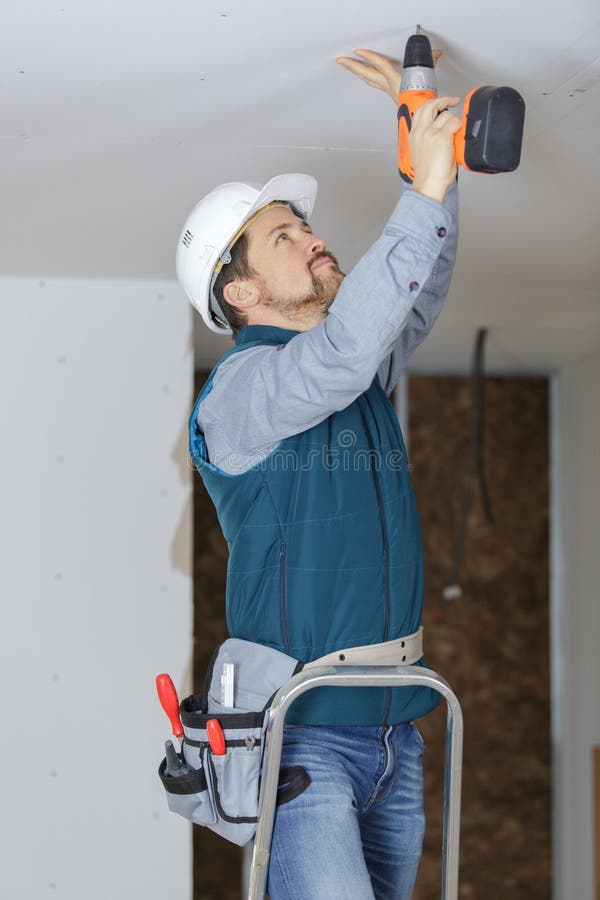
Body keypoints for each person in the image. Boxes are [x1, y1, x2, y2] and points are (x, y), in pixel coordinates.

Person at [177, 47, 461, 900]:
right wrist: (423, 195)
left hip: (397, 730)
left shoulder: (356, 369)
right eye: (284, 236)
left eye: (304, 225)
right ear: (241, 295)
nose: (314, 236)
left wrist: (421, 128)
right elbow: (336, 358)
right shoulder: (239, 395)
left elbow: (421, 282)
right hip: (303, 738)